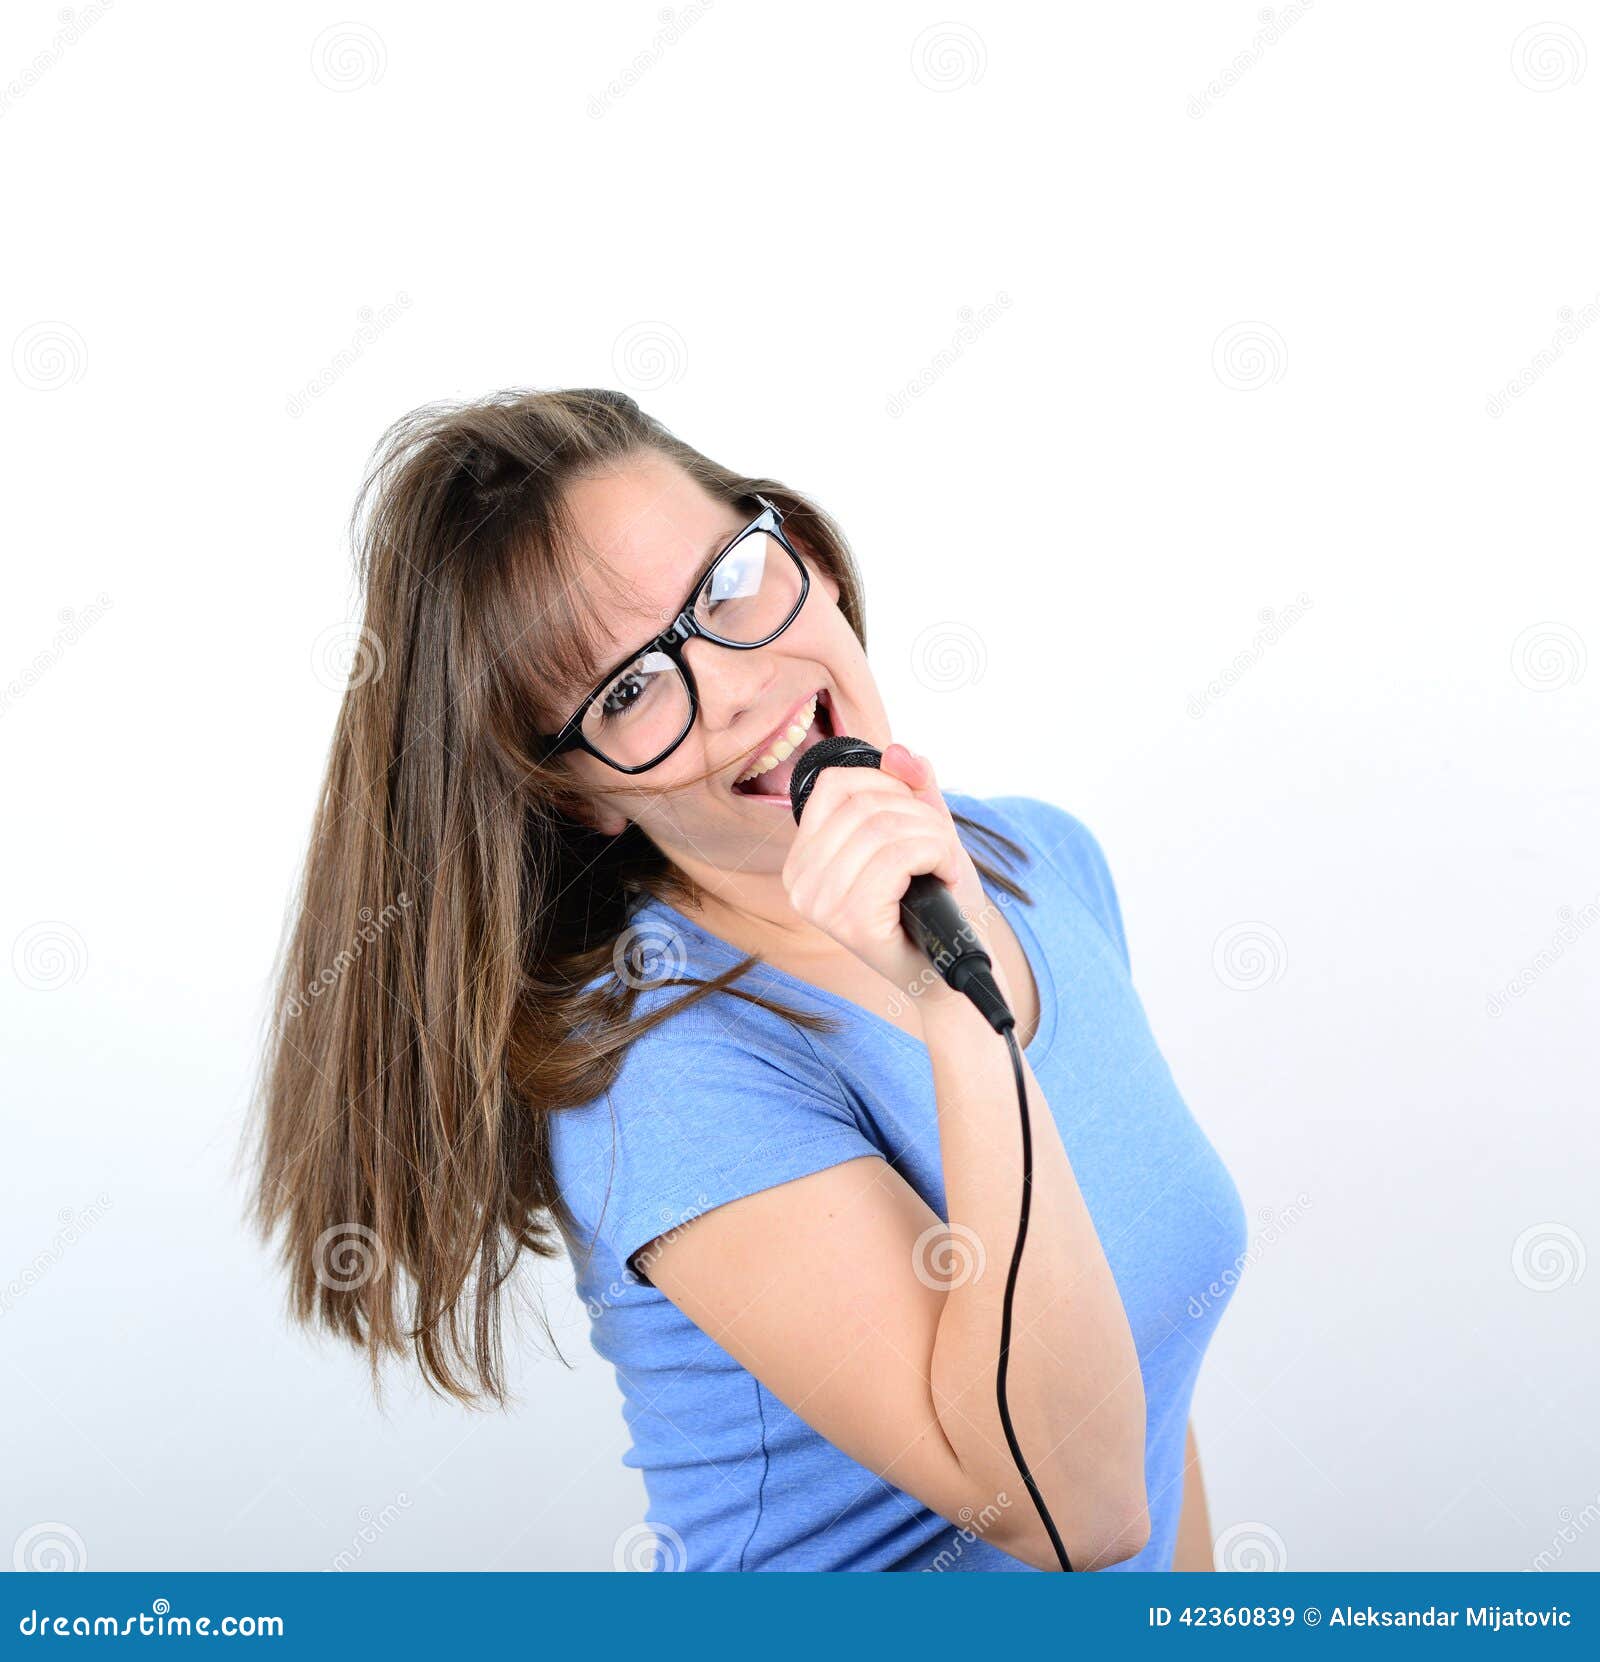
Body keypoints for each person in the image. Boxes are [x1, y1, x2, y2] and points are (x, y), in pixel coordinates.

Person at [252, 387, 1248, 1573]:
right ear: (580, 796)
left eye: (725, 586)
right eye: (627, 692)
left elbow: (1152, 1406)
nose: (729, 687)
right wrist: (952, 1003)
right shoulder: (658, 1068)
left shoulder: (1036, 859)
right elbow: (1072, 1513)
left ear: (806, 555)